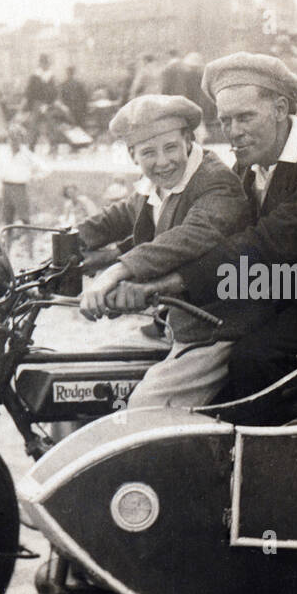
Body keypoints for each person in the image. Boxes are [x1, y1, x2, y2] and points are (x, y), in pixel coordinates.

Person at [127, 51, 297, 406]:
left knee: (248, 357)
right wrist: (121, 263)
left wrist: (165, 284)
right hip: (283, 295)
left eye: (245, 117)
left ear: (280, 109)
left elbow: (262, 245)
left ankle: (246, 454)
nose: (234, 132)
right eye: (226, 121)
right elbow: (216, 232)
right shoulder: (251, 166)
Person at [75, 95, 251, 407]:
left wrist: (116, 270)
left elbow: (190, 235)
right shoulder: (154, 185)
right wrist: (72, 241)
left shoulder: (216, 182)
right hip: (170, 324)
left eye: (171, 147)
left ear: (188, 140)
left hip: (212, 330)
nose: (163, 161)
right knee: (83, 378)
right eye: (148, 153)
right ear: (133, 156)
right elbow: (121, 214)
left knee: (145, 408)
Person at [0, 123, 52, 224]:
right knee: (7, 218)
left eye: (16, 138)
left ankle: (28, 237)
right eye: (11, 138)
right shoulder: (3, 153)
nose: (13, 141)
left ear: (21, 139)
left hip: (19, 187)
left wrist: (34, 177)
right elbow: (0, 174)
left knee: (24, 217)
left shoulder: (27, 155)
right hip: (6, 187)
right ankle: (8, 238)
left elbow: (46, 169)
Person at [24, 54, 61, 153]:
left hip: (47, 104)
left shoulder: (50, 76)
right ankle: (31, 146)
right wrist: (31, 104)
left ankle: (53, 146)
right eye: (44, 63)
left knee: (51, 125)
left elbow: (55, 91)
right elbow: (29, 92)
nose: (46, 65)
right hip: (37, 103)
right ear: (40, 64)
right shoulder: (35, 76)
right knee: (34, 125)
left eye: (47, 63)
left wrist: (50, 101)